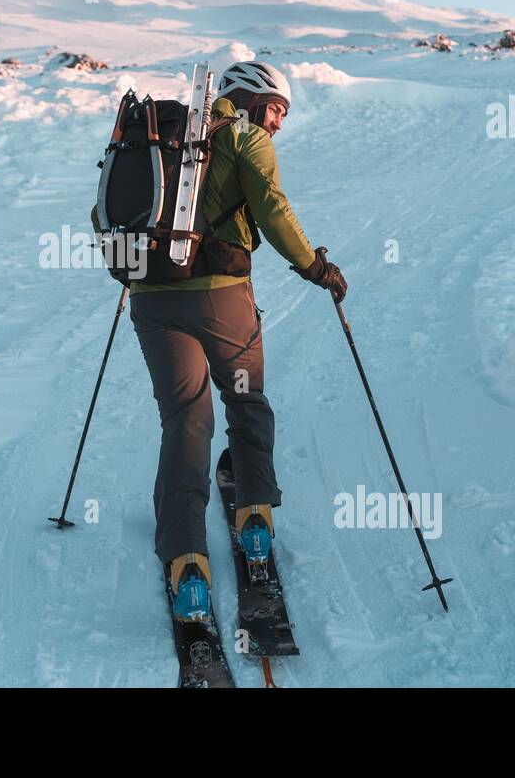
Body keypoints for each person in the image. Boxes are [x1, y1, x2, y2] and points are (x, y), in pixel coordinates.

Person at [102, 60, 347, 623]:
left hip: (153, 301)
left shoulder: (156, 140)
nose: (279, 124)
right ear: (249, 100)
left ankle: (186, 560)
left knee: (186, 420)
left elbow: (102, 212)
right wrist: (314, 266)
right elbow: (271, 205)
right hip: (222, 300)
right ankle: (254, 521)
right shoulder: (243, 136)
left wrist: (139, 267)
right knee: (245, 399)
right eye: (277, 110)